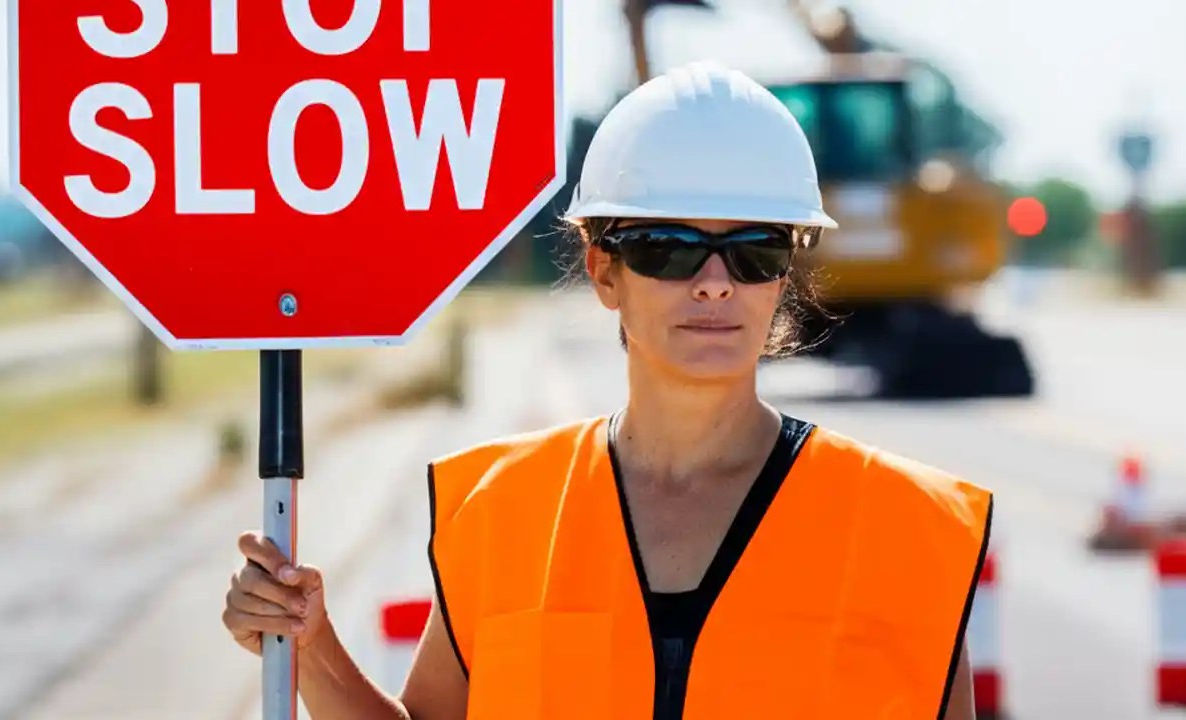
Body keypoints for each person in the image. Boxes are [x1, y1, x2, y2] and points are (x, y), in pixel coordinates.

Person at [223, 61, 993, 720]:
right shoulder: (502, 509)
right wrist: (310, 642)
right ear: (603, 272)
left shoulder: (907, 530)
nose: (716, 284)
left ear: (783, 277)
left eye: (754, 250)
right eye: (668, 247)